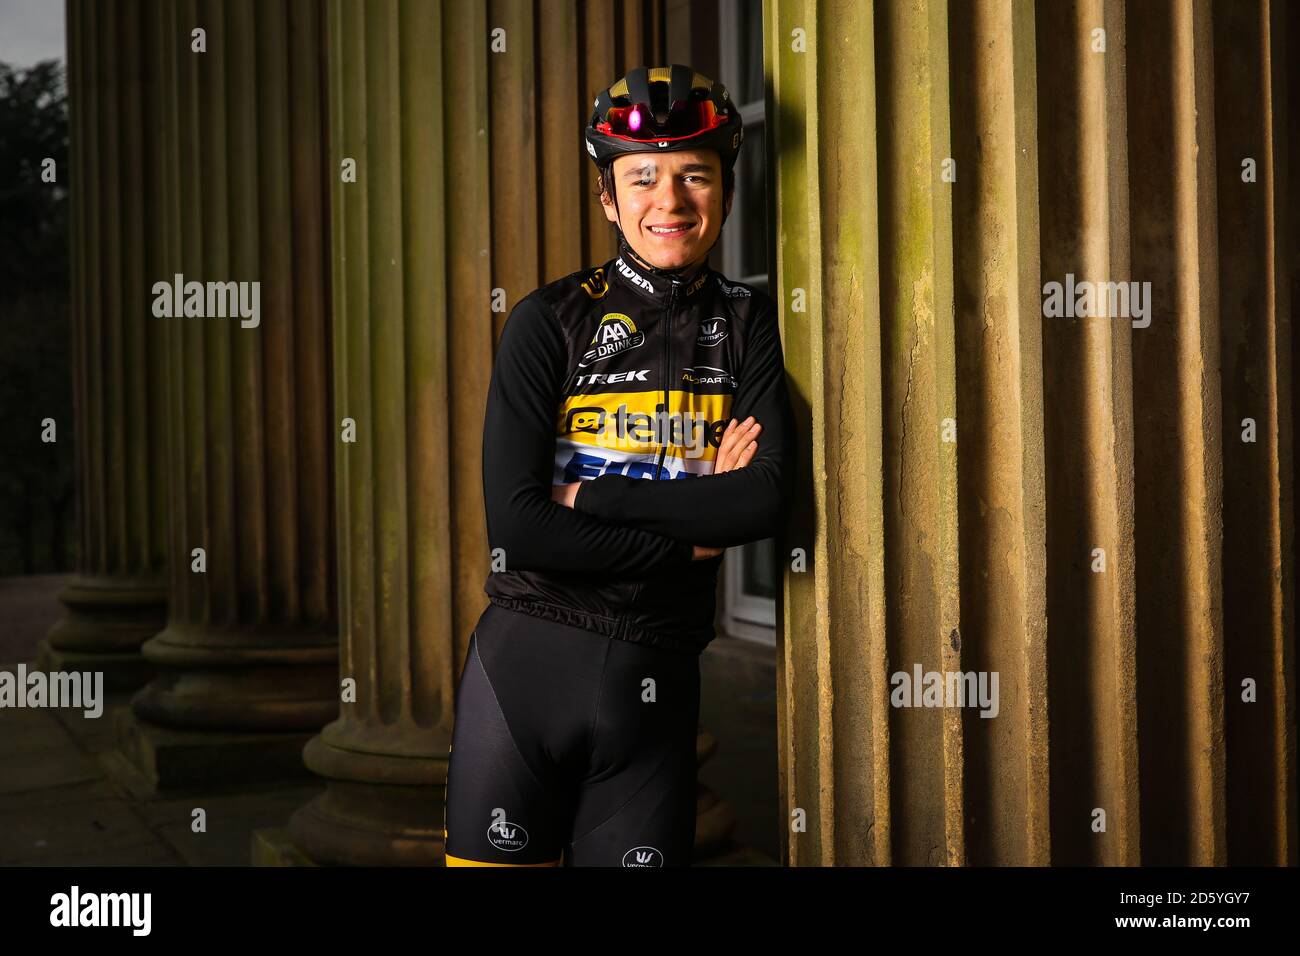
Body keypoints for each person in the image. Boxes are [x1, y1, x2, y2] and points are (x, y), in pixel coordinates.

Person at [443, 64, 794, 867]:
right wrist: (691, 532)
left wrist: (593, 496)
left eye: (693, 177)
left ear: (727, 194)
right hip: (524, 671)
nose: (669, 203)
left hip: (659, 680)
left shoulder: (750, 324)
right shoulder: (548, 322)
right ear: (608, 199)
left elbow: (763, 502)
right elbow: (520, 528)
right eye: (642, 179)